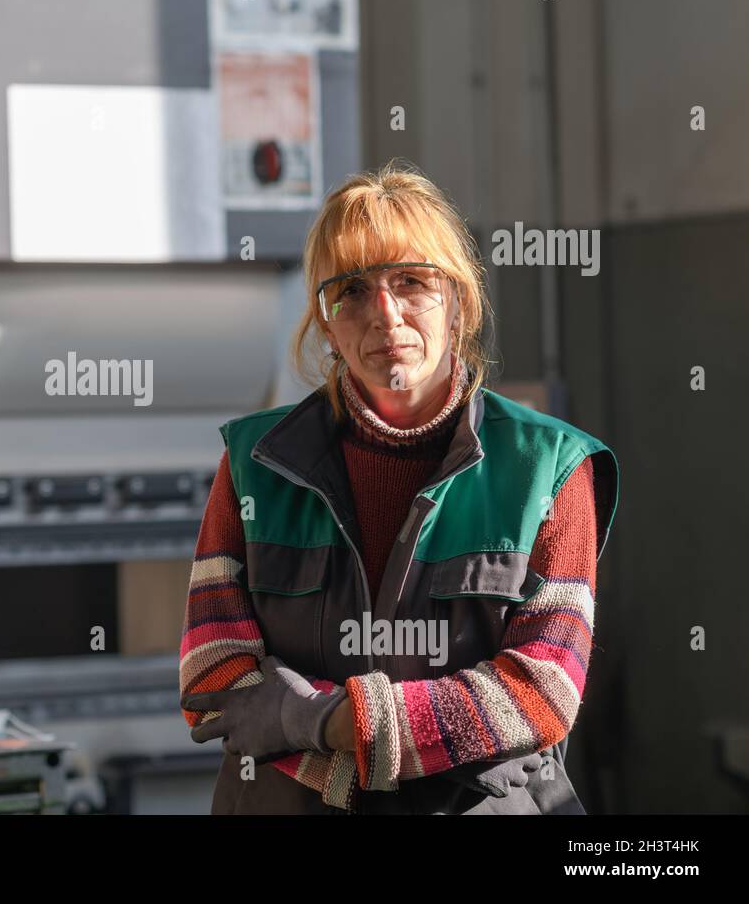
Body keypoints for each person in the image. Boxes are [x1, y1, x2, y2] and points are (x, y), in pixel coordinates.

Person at [178, 161, 619, 814]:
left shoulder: (548, 466)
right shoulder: (253, 463)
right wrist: (357, 772)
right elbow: (215, 676)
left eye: (412, 281)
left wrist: (317, 720)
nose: (384, 314)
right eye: (351, 290)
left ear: (458, 300)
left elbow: (540, 691)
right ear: (326, 323)